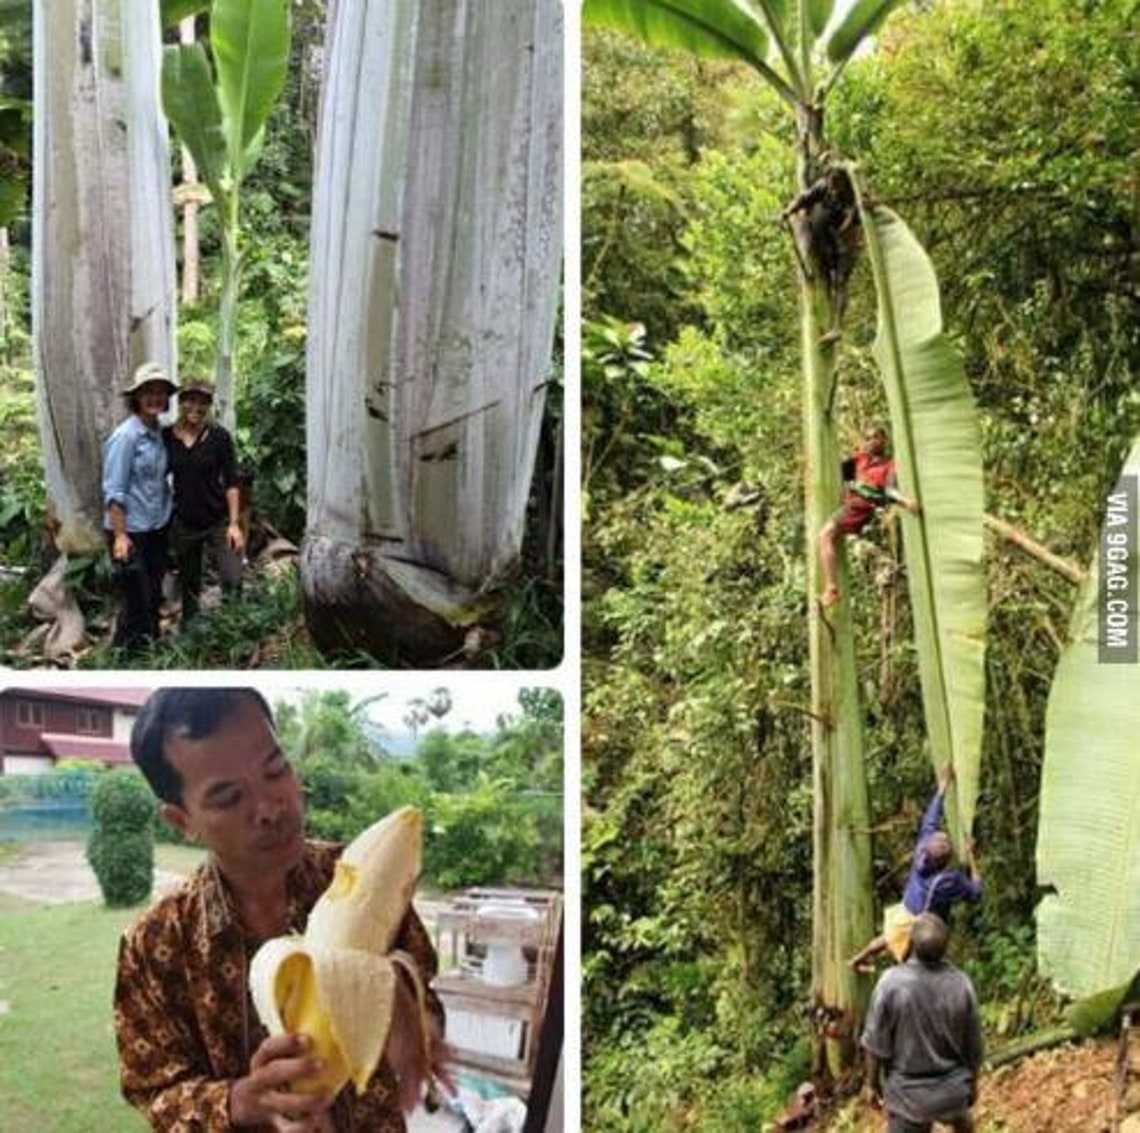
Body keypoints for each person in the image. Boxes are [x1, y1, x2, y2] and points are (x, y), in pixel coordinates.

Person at [114, 689, 447, 1132]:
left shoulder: (359, 876)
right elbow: (151, 1087)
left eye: (275, 770)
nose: (271, 807)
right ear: (183, 821)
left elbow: (424, 986)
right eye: (229, 798)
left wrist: (414, 1017)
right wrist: (241, 1102)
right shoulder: (154, 944)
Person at [850, 765, 981, 973]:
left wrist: (943, 786)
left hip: (905, 908)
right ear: (946, 861)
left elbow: (931, 818)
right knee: (912, 961)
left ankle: (857, 960)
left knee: (886, 939)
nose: (942, 836)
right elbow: (975, 893)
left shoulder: (923, 848)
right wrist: (972, 857)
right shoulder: (948, 881)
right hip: (919, 923)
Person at [861, 913, 984, 1133]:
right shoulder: (961, 983)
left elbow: (874, 1042)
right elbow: (974, 1047)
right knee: (961, 1118)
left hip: (907, 1096)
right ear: (946, 948)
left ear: (911, 944)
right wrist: (972, 1085)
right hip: (952, 1092)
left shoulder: (890, 983)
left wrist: (871, 1084)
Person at [102, 361, 177, 652]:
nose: (155, 397)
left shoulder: (159, 433)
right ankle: (124, 655)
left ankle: (150, 647)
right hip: (130, 531)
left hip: (156, 526)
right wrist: (120, 536)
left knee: (154, 593)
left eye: (160, 392)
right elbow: (114, 491)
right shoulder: (126, 437)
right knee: (137, 598)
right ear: (137, 397)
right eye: (148, 391)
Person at [163, 380, 245, 627]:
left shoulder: (219, 437)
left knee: (232, 577)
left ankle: (233, 628)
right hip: (185, 522)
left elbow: (232, 481)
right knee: (189, 583)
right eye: (190, 400)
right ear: (181, 402)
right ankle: (191, 632)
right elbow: (154, 475)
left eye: (202, 402)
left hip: (218, 519)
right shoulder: (166, 437)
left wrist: (234, 524)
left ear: (208, 405)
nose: (195, 407)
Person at [818, 423, 920, 607]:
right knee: (829, 536)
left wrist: (906, 501)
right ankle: (832, 586)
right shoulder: (861, 459)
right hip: (852, 506)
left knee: (825, 534)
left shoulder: (890, 465)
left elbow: (889, 489)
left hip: (862, 508)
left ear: (884, 440)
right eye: (867, 438)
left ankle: (831, 588)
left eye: (875, 437)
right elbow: (838, 471)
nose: (871, 442)